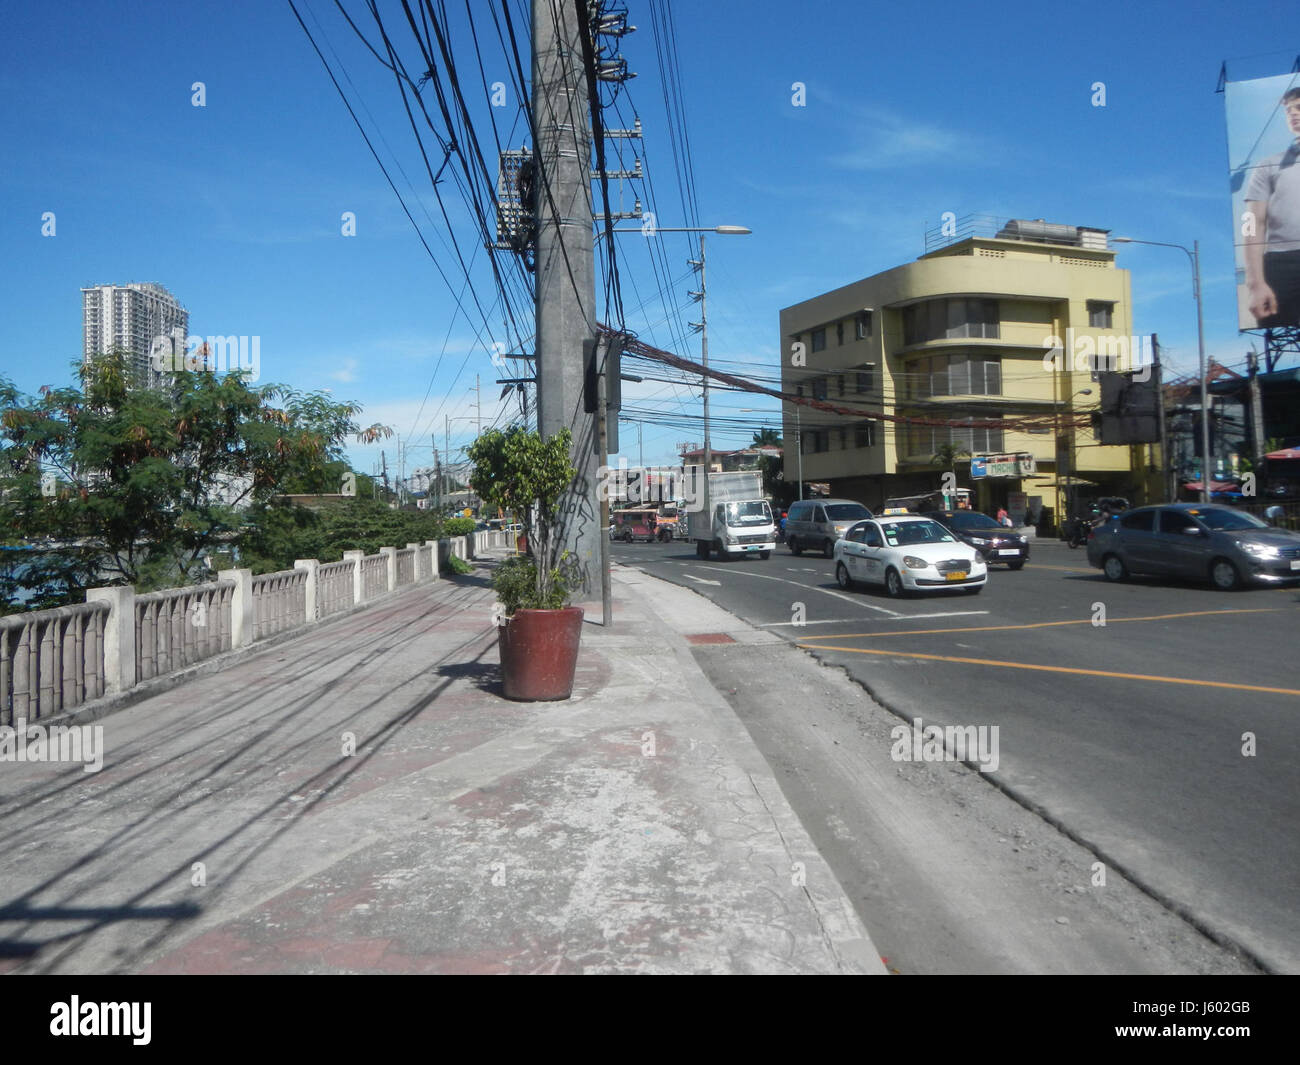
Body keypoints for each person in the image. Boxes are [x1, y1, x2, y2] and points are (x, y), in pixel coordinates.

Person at [1244, 87, 1300, 328]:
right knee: (1276, 322)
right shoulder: (1267, 165)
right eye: (1289, 111)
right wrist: (1255, 283)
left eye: (1299, 108)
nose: (1294, 114)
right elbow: (1251, 223)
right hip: (1280, 265)